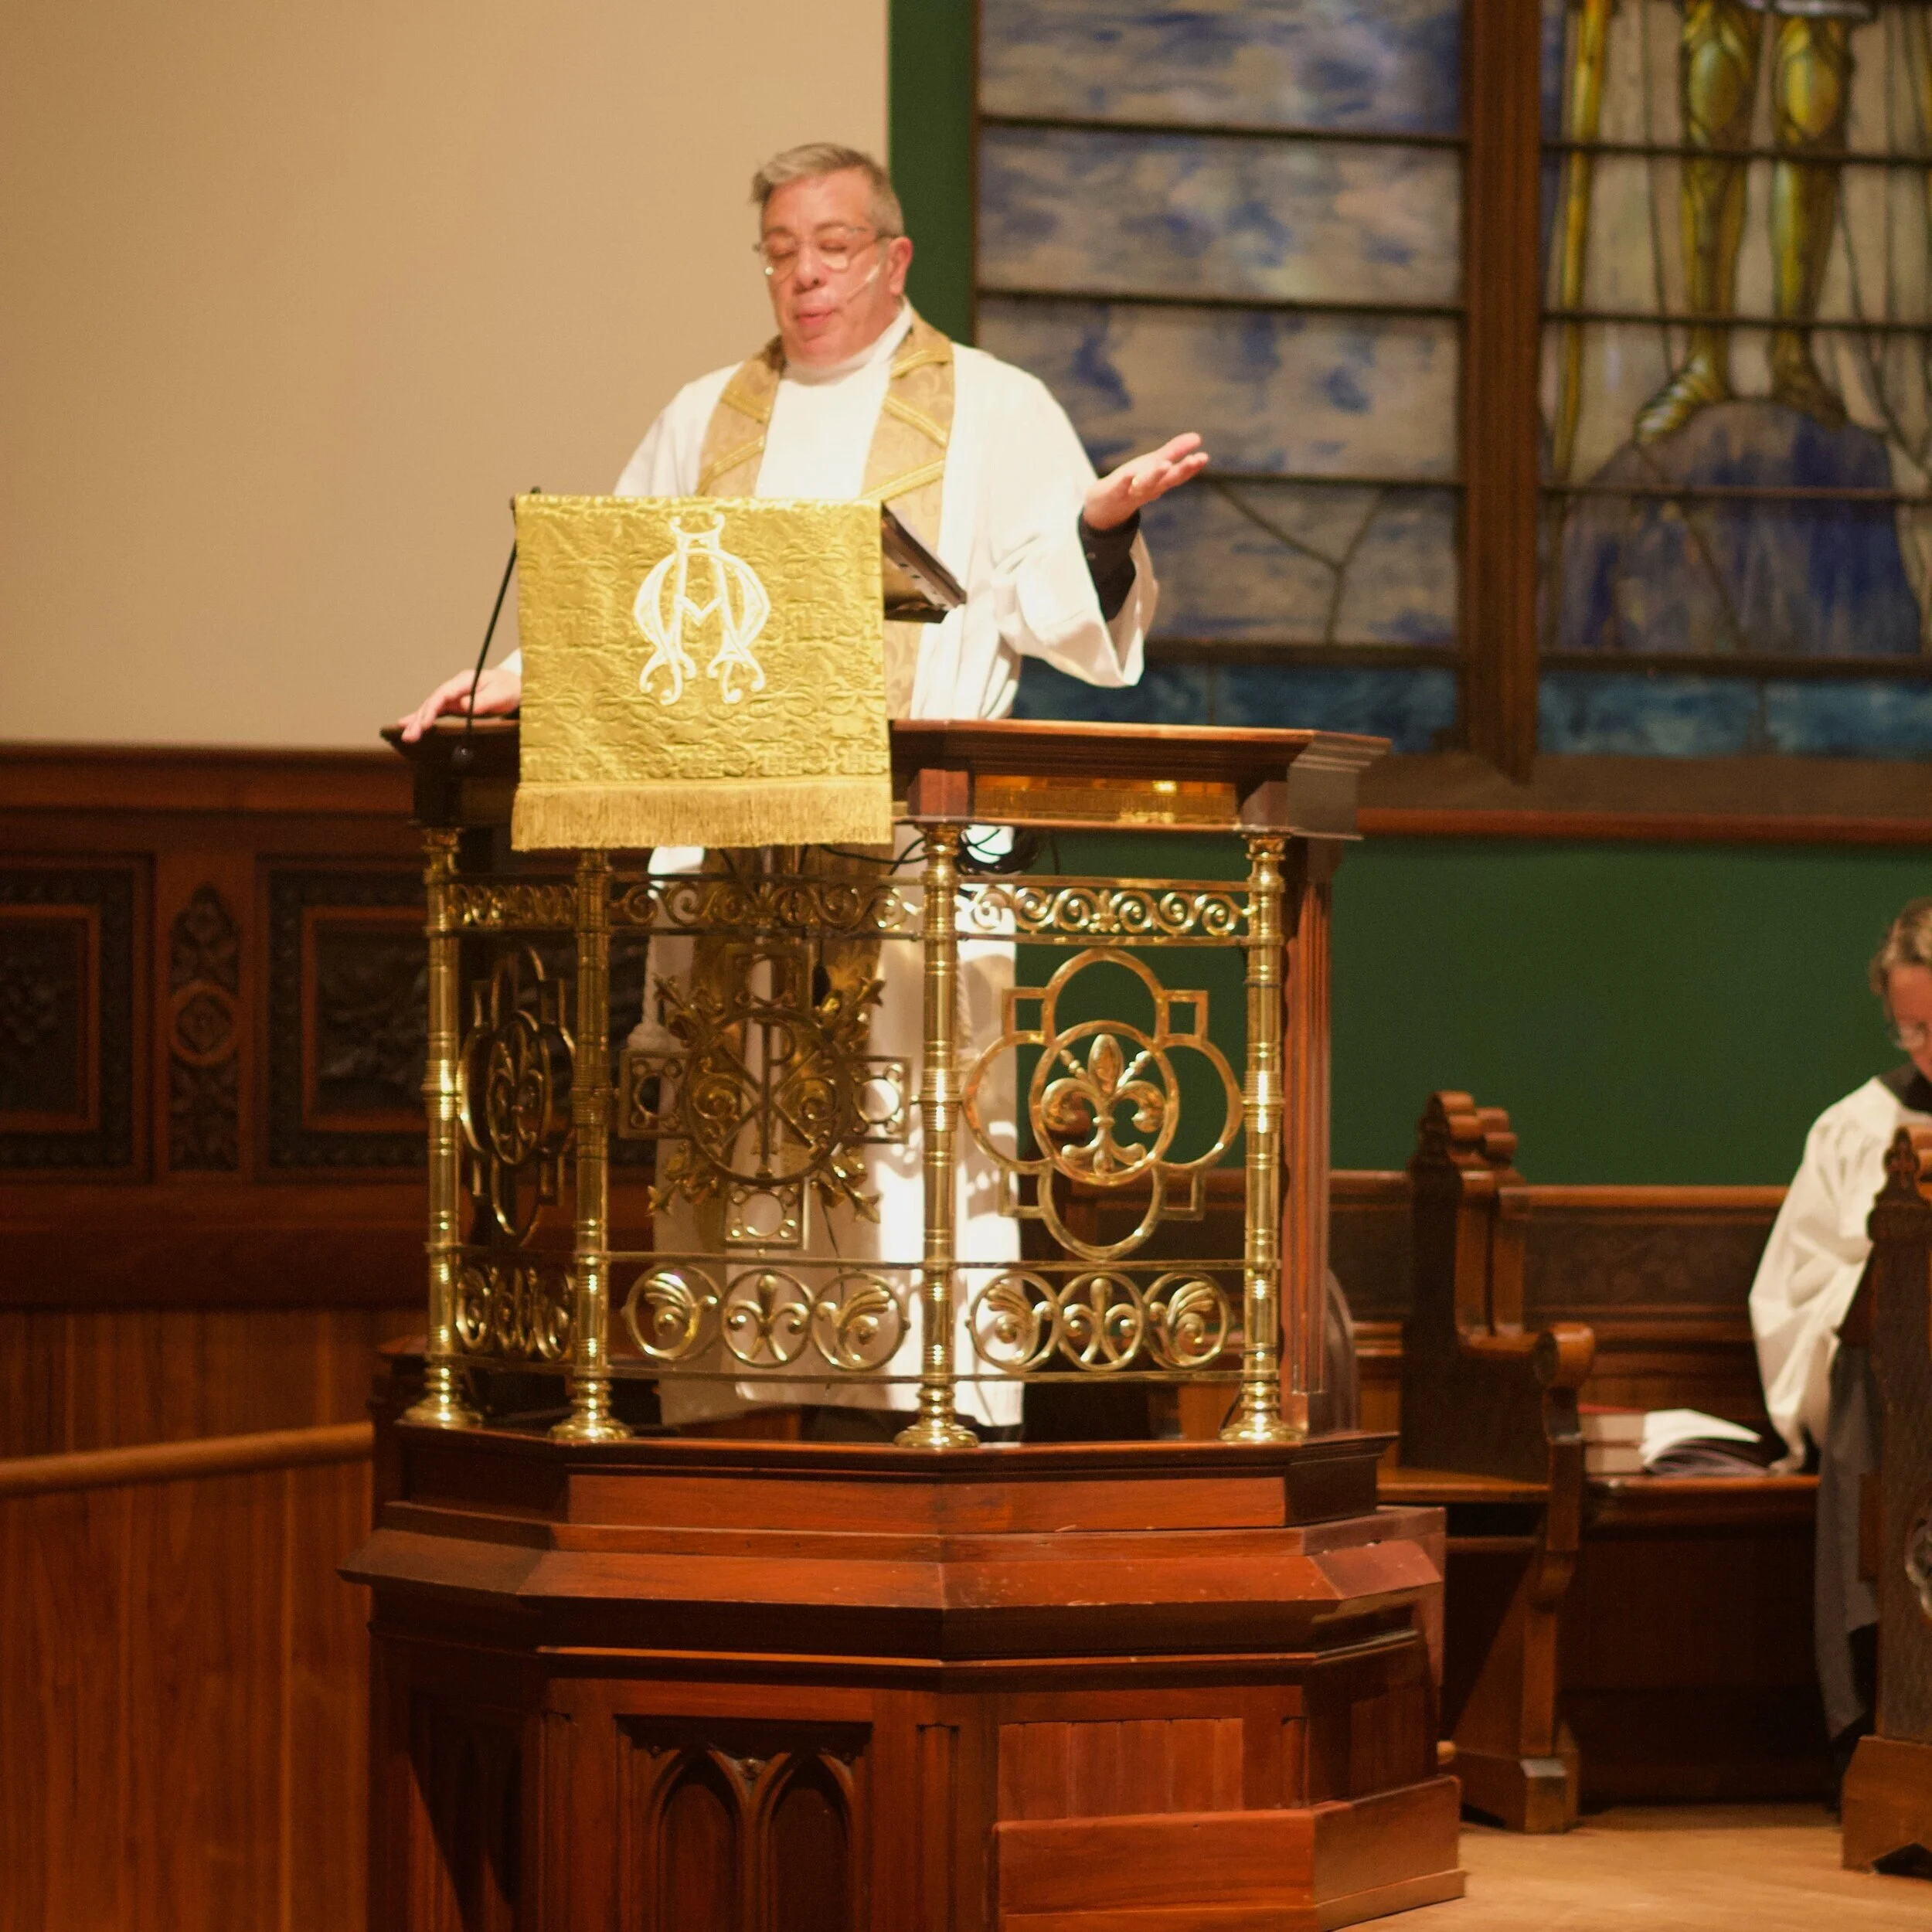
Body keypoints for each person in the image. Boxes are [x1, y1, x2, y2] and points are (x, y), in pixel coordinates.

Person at [398, 143, 1209, 1437]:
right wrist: (512, 681)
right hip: (732, 868)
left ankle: (922, 1424)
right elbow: (634, 601)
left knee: (908, 1182)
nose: (805, 274)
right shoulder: (704, 417)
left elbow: (1062, 608)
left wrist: (1101, 535)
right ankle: (736, 1428)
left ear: (892, 258)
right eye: (781, 250)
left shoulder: (991, 410)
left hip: (906, 868)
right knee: (735, 1184)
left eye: (832, 245)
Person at [1750, 897, 1932, 1784]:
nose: (1926, 1049)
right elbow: (1799, 1288)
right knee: (1862, 1371)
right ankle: (1869, 1722)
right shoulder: (1856, 1129)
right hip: (1892, 1393)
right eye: (1910, 1030)